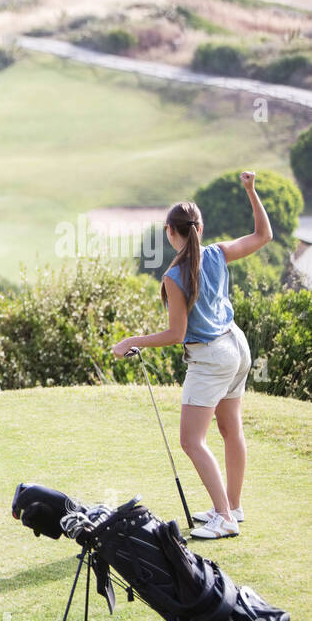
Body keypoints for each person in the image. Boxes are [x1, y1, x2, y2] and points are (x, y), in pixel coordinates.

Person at [113, 170, 271, 540]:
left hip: (212, 358)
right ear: (198, 227)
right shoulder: (217, 252)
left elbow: (176, 334)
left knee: (191, 441)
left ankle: (225, 517)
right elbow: (264, 235)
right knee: (231, 429)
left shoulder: (173, 274)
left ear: (172, 232)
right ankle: (232, 505)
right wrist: (251, 190)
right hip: (237, 346)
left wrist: (132, 340)